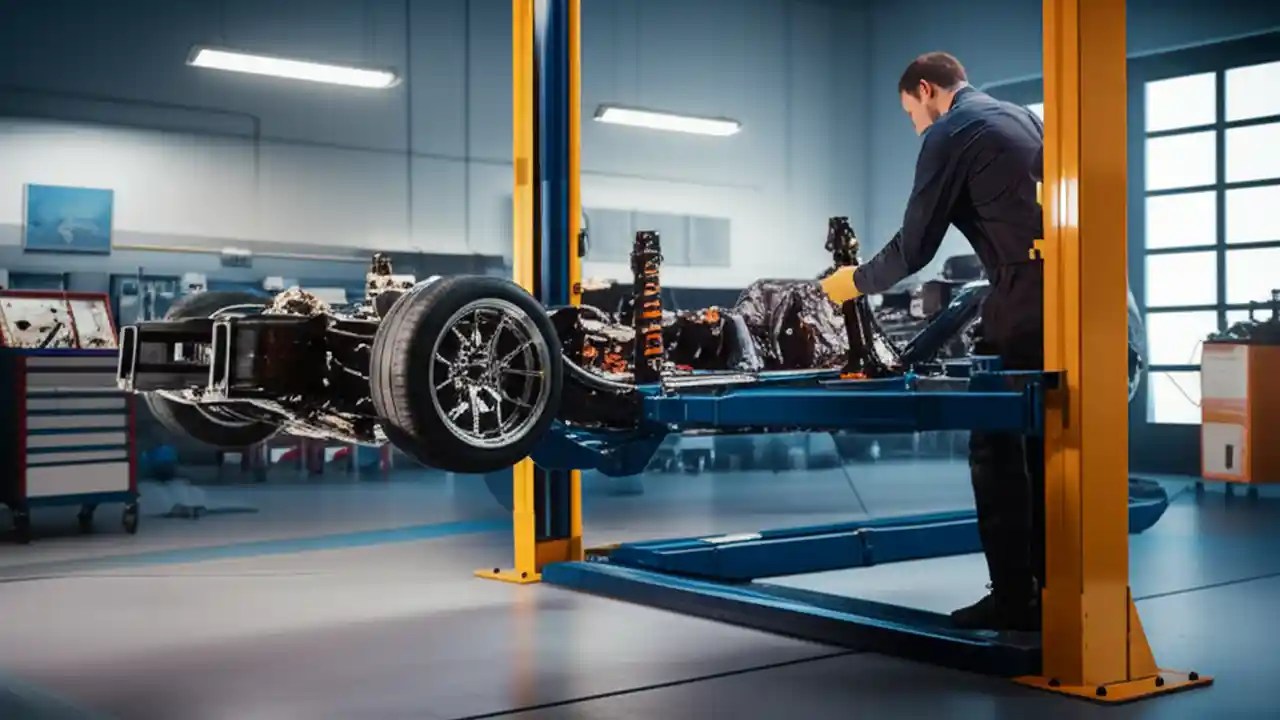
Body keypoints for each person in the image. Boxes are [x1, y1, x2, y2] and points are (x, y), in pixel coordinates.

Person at [820, 51, 1045, 631]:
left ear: (927, 90)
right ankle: (1053, 587)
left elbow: (916, 245)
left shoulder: (951, 130)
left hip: (1021, 296)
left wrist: (855, 282)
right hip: (1067, 294)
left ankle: (1016, 598)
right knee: (1048, 446)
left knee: (995, 444)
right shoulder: (1022, 116)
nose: (915, 125)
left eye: (910, 114)